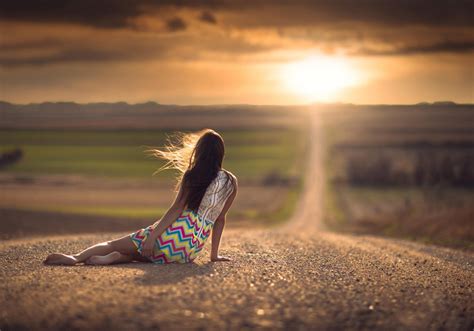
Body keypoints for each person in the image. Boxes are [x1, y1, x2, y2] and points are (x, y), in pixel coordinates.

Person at [43, 129, 238, 266]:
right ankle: (114, 258)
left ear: (200, 151)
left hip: (172, 234)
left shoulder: (192, 174)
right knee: (140, 254)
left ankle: (76, 258)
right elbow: (219, 219)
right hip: (188, 250)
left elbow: (176, 210)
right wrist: (214, 255)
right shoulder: (231, 182)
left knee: (121, 244)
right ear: (221, 153)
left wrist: (152, 237)